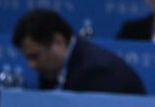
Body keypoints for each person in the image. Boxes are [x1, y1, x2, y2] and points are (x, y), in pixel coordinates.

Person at [12, 9, 146, 95]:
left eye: (34, 56)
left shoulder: (99, 73)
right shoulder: (51, 71)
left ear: (58, 41)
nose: (32, 65)